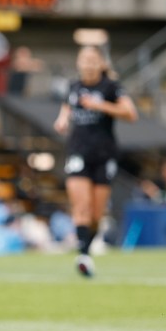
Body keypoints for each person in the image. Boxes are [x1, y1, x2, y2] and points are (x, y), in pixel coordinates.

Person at [53, 45, 138, 277]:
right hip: (78, 152)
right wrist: (62, 119)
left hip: (104, 155)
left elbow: (131, 113)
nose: (88, 64)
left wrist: (99, 105)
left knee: (96, 215)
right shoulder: (73, 86)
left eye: (93, 60)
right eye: (84, 60)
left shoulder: (111, 87)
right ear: (79, 63)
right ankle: (83, 256)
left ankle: (87, 250)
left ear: (101, 63)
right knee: (81, 207)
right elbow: (67, 106)